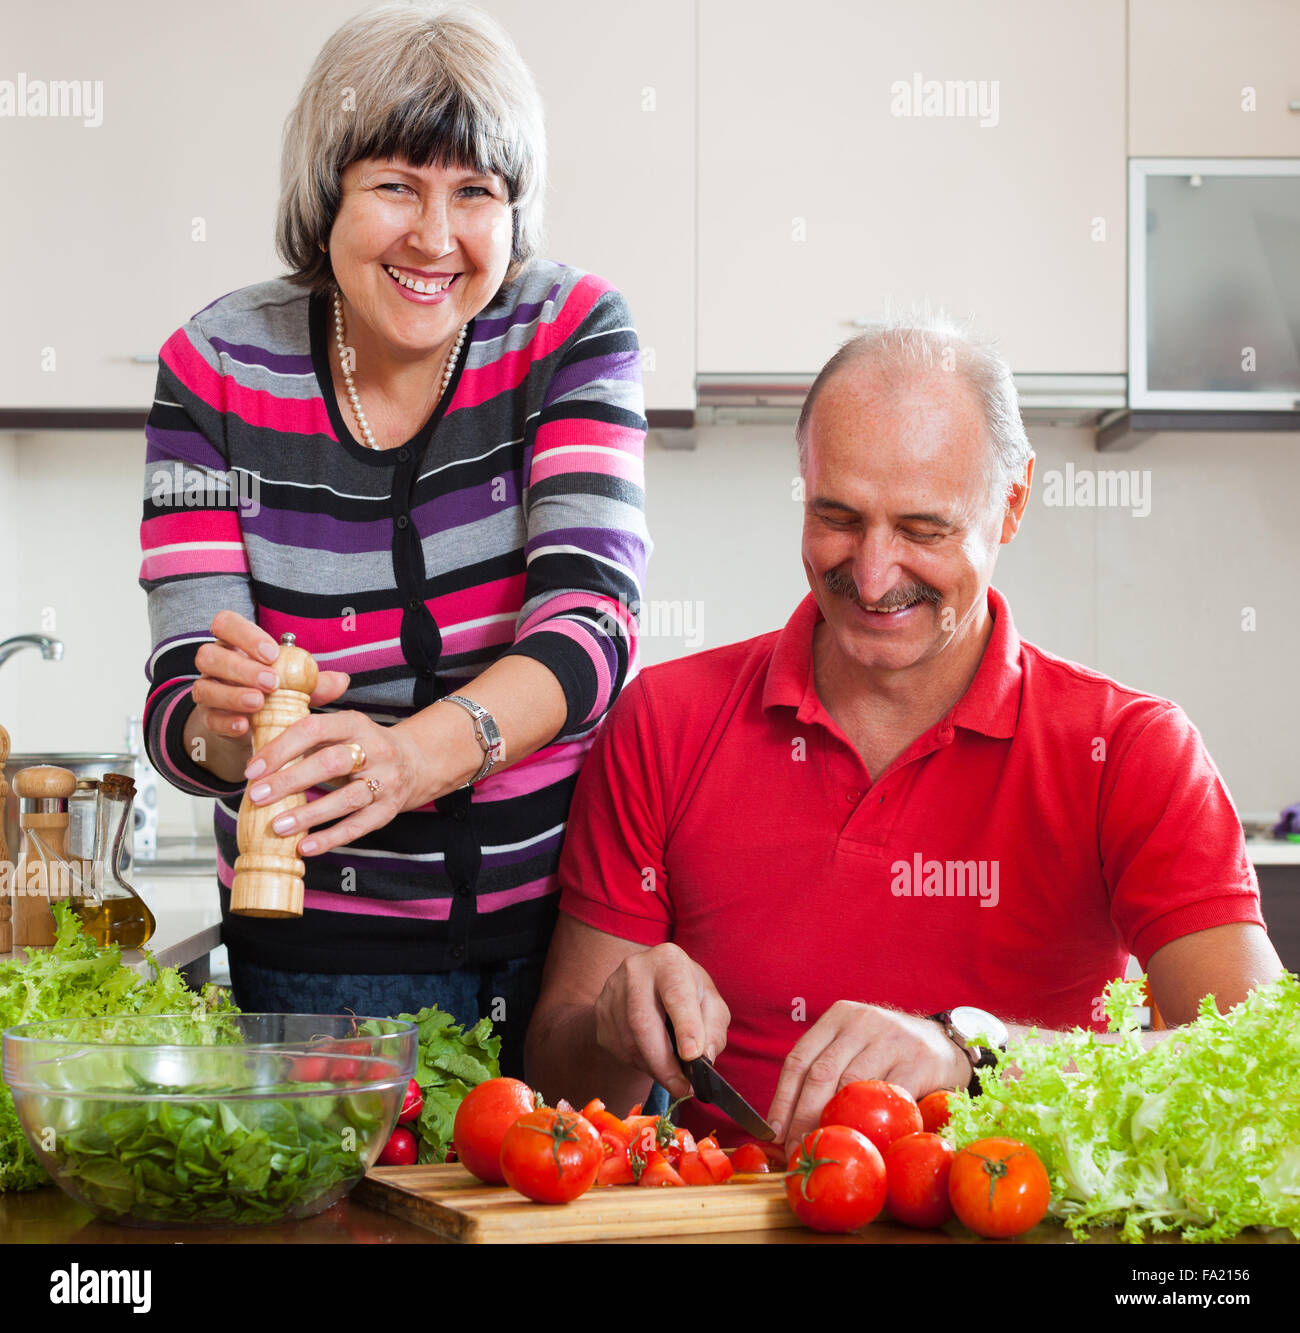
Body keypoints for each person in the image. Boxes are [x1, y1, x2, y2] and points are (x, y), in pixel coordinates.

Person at [525, 313, 1283, 1154]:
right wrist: (612, 1024)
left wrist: (975, 1053)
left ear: (1014, 503)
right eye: (838, 517)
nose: (874, 573)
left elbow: (1258, 1073)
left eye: (923, 529)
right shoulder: (664, 721)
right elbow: (559, 1089)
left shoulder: (1134, 750)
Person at [138, 2, 649, 1077]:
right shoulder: (214, 369)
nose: (435, 236)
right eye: (394, 186)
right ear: (327, 195)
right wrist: (222, 726)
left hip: (570, 936)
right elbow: (181, 706)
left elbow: (592, 625)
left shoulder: (570, 334)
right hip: (324, 959)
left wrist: (414, 758)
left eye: (476, 193)